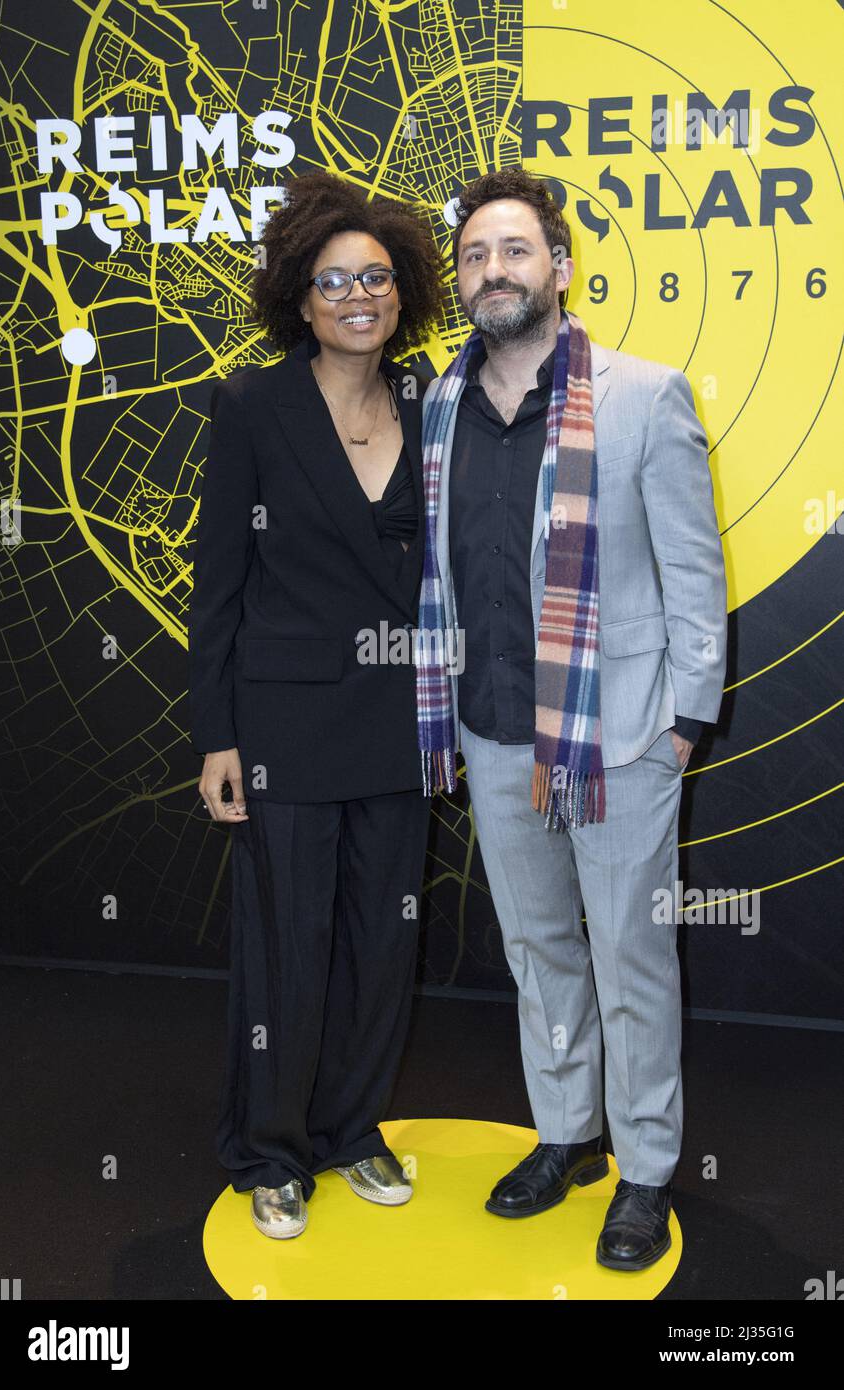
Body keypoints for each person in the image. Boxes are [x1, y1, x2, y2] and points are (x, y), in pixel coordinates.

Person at [415, 168, 728, 1271]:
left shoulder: (643, 394)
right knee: (539, 951)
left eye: (512, 250)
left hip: (623, 736)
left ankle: (643, 1168)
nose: (491, 270)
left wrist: (687, 717)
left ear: (557, 266)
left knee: (632, 956)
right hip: (493, 730)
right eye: (472, 256)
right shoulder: (440, 404)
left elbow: (693, 567)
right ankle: (568, 1135)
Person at [188, 171, 446, 1238]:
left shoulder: (435, 401)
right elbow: (217, 583)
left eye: (374, 278)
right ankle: (270, 1150)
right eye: (332, 279)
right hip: (284, 723)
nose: (355, 295)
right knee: (285, 942)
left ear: (401, 293)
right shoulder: (253, 404)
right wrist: (217, 736)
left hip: (399, 719)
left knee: (382, 941)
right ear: (300, 297)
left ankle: (352, 1131)